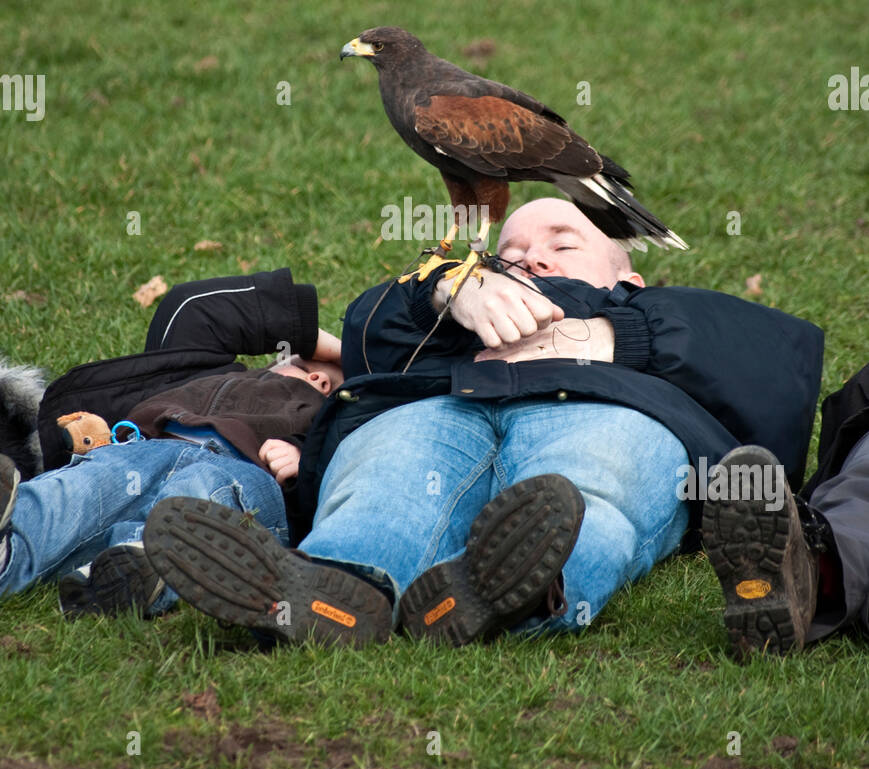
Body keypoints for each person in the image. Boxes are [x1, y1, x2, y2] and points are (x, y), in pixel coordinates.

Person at [143, 198, 836, 657]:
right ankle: (331, 589)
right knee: (385, 487)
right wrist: (441, 290)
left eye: (562, 242)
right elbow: (367, 340)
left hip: (608, 409)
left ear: (631, 276)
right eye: (510, 248)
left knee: (587, 490)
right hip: (429, 406)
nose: (531, 256)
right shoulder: (443, 311)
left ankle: (533, 588)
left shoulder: (667, 310)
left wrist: (609, 332)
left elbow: (772, 367)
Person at [0, 267, 343, 617]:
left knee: (199, 499)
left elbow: (350, 476)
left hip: (240, 472)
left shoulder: (327, 427)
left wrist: (304, 462)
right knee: (79, 491)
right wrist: (318, 341)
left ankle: (137, 568)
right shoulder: (205, 369)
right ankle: (11, 547)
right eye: (301, 362)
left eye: (331, 381)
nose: (315, 375)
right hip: (139, 451)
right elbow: (194, 309)